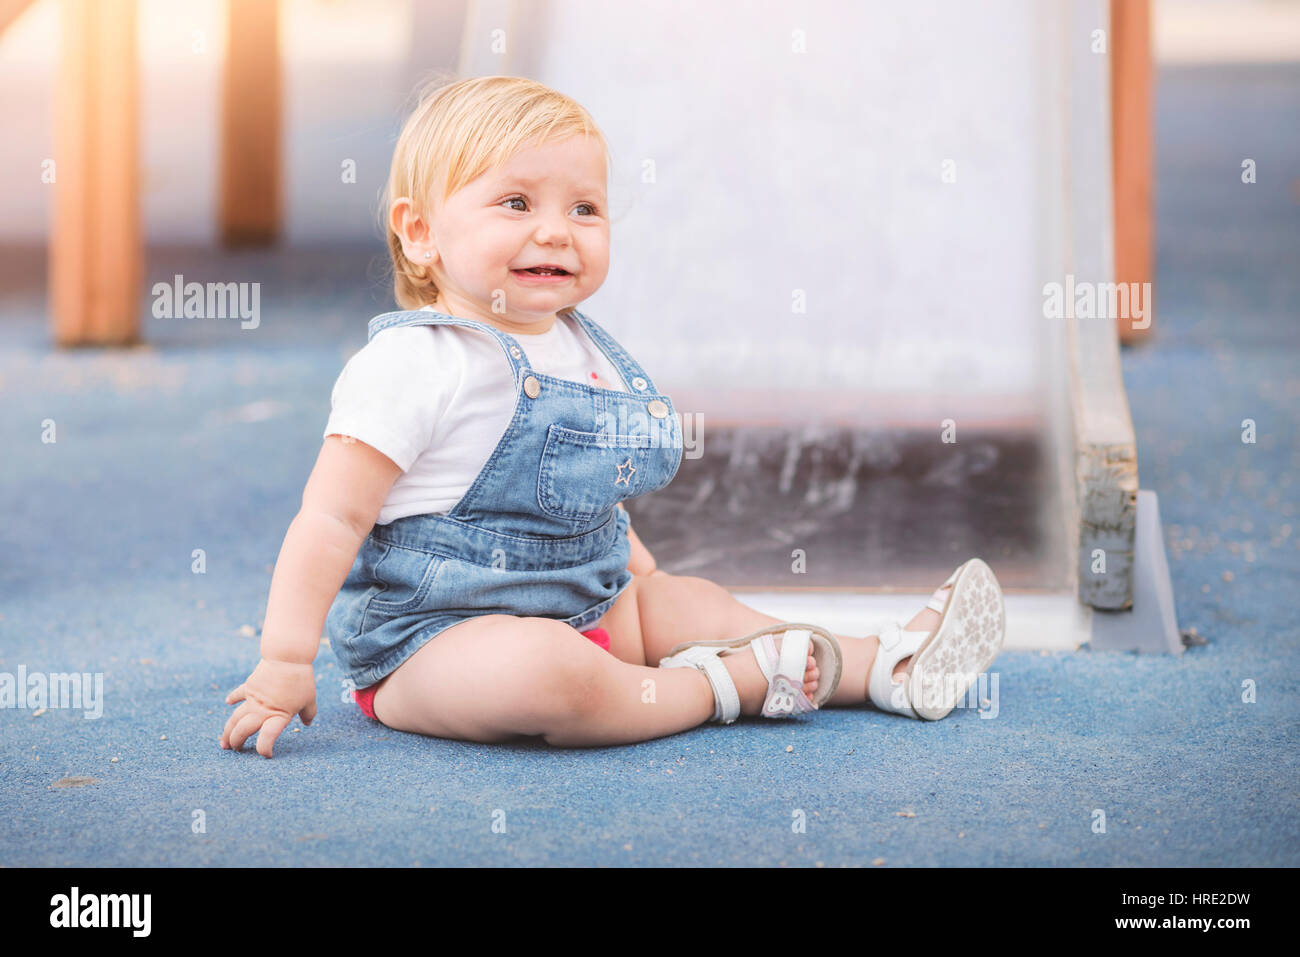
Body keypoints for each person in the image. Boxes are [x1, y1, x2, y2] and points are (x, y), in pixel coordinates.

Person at [219, 75, 1006, 758]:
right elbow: (329, 518)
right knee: (546, 675)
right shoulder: (413, 363)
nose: (557, 229)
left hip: (593, 601)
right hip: (437, 645)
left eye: (585, 208)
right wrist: (288, 656)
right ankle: (713, 689)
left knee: (699, 604)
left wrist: (650, 589)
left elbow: (584, 491)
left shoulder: (586, 351)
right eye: (516, 202)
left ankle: (887, 666)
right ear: (421, 233)